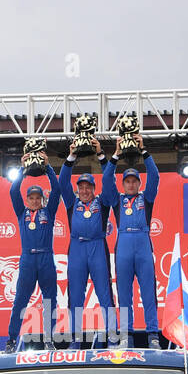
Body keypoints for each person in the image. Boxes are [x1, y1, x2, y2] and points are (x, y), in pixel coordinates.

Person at [102, 136, 162, 347]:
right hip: (124, 246)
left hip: (143, 245)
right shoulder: (116, 200)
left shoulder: (146, 198)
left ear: (138, 183)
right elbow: (106, 181)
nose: (130, 184)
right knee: (125, 295)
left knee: (148, 293)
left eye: (134, 181)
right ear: (123, 183)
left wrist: (144, 151)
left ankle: (152, 334)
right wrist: (116, 155)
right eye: (127, 181)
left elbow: (155, 176)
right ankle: (126, 335)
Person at [57, 139, 118, 346]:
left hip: (97, 247)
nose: (84, 190)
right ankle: (74, 339)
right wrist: (71, 156)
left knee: (104, 294)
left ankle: (112, 336)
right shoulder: (71, 202)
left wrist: (102, 156)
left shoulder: (102, 202)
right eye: (81, 187)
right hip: (76, 249)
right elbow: (62, 181)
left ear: (93, 188)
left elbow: (109, 180)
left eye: (88, 187)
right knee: (75, 296)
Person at [4, 163, 62, 352]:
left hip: (46, 258)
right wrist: (22, 169)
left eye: (38, 198)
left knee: (50, 301)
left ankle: (49, 339)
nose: (35, 201)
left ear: (42, 199)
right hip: (28, 259)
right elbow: (14, 190)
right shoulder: (22, 213)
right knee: (20, 300)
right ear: (27, 199)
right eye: (32, 198)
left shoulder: (49, 212)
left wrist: (48, 168)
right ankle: (12, 340)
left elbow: (57, 189)